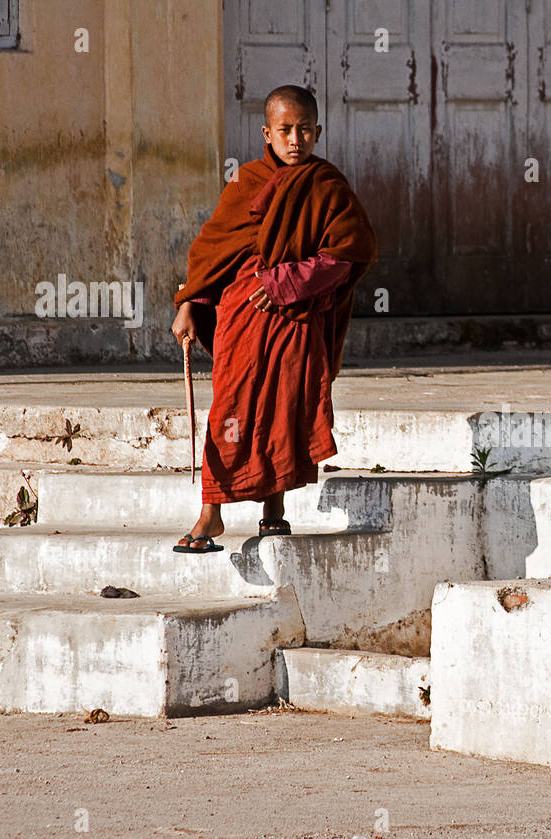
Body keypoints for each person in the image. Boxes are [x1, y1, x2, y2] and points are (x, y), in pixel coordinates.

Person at [170, 84, 376, 552]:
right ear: (267, 132)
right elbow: (212, 251)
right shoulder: (247, 181)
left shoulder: (327, 187)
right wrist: (188, 303)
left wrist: (283, 283)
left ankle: (274, 510)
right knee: (229, 410)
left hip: (292, 321)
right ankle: (210, 512)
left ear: (318, 132)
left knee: (283, 410)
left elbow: (347, 257)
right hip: (240, 321)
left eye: (304, 129)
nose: (295, 139)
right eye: (285, 130)